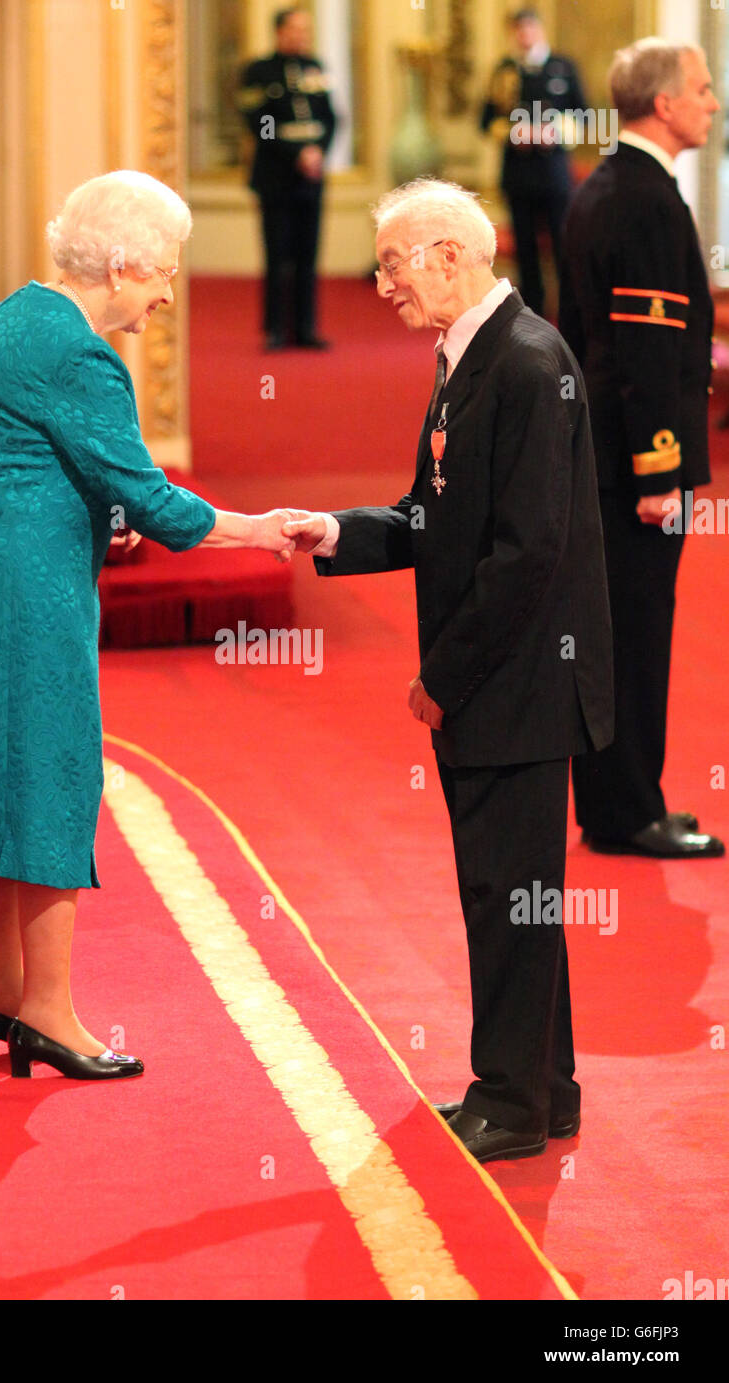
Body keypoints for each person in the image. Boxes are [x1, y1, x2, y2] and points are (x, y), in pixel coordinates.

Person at [0, 170, 297, 1080]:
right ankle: (52, 1017)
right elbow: (147, 495)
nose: (166, 295)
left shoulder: (7, 316)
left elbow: (21, 460)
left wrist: (109, 512)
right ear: (120, 263)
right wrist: (253, 529)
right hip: (24, 593)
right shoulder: (80, 355)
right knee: (53, 779)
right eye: (162, 275)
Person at [283, 178, 614, 1162]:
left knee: (506, 896)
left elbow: (525, 556)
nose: (380, 281)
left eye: (391, 262)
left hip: (518, 681)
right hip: (506, 679)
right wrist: (335, 530)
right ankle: (543, 1087)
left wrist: (442, 678)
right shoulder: (470, 354)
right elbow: (434, 514)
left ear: (451, 255)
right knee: (517, 895)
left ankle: (508, 1100)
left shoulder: (523, 361)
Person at [559, 39, 724, 858]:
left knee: (618, 632)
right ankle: (627, 813)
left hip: (601, 452)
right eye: (701, 89)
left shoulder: (606, 189)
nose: (711, 101)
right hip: (634, 467)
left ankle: (625, 801)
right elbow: (645, 355)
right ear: (661, 103)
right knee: (631, 635)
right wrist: (660, 471)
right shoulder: (645, 201)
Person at [237, 7, 337, 350]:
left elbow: (331, 118)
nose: (302, 36)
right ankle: (276, 329)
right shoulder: (258, 72)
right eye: (296, 29)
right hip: (275, 177)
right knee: (278, 255)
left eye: (306, 30)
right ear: (279, 32)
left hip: (311, 178)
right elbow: (259, 125)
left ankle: (306, 327)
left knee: (308, 254)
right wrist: (297, 154)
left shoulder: (316, 68)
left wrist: (319, 150)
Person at [480, 6, 588, 317]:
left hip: (554, 175)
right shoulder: (504, 70)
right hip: (518, 174)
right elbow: (486, 120)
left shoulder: (562, 67)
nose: (525, 35)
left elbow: (584, 113)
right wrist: (515, 132)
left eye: (530, 28)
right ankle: (532, 313)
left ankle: (569, 310)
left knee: (561, 245)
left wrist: (555, 131)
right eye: (519, 30)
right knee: (526, 250)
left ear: (540, 30)